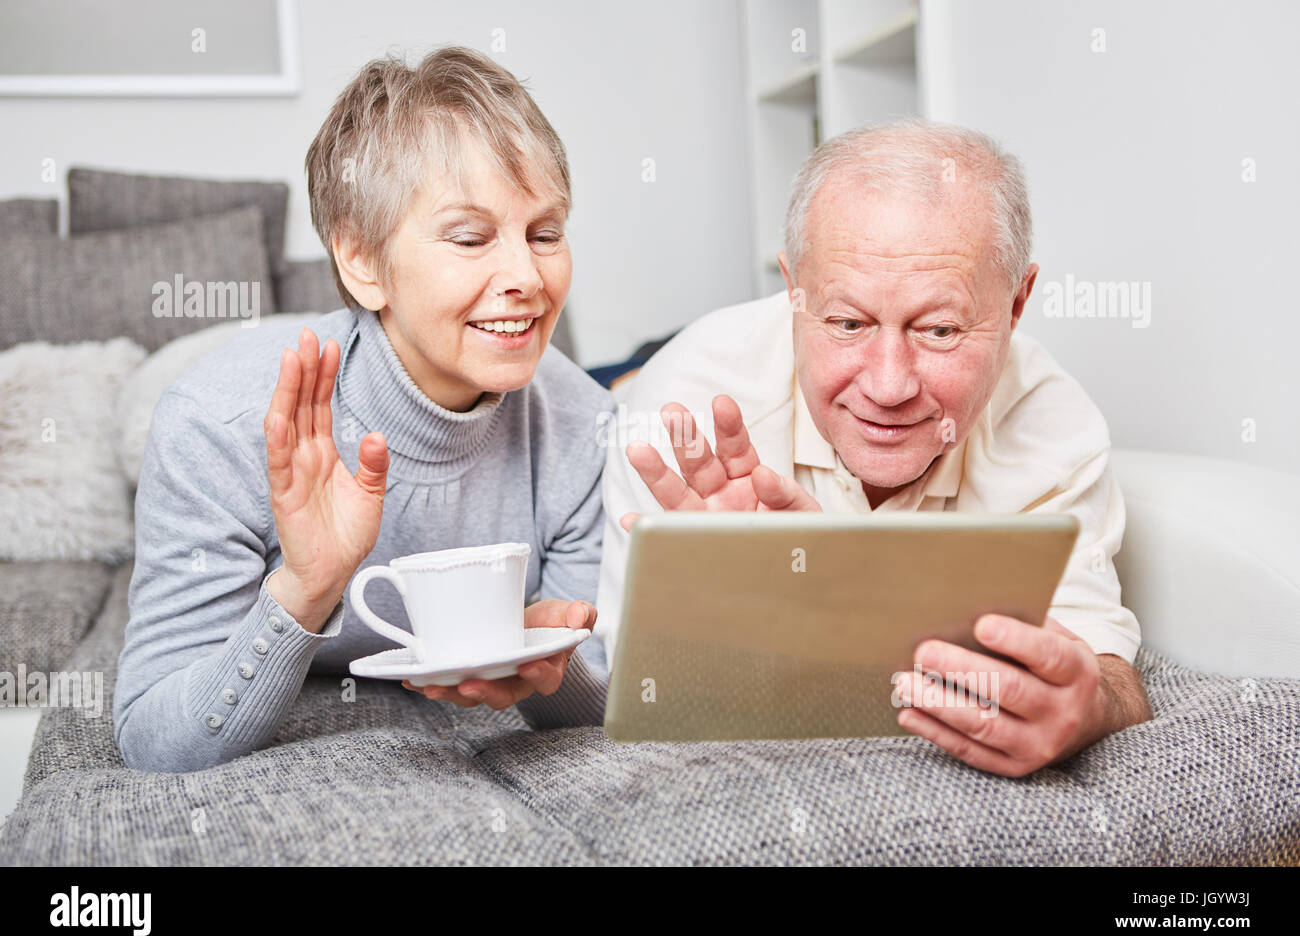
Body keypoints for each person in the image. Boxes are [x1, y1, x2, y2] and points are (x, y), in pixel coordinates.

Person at [596, 118, 1153, 779]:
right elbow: (638, 699)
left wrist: (1091, 706)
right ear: (792, 289)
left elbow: (1107, 670)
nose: (889, 386)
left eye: (940, 329)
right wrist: (729, 620)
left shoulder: (1053, 425)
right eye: (847, 323)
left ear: (1017, 303)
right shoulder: (680, 409)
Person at [115, 47, 612, 772]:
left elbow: (611, 702)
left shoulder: (585, 427)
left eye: (545, 233)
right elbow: (153, 740)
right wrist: (303, 591)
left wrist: (552, 666)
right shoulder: (213, 423)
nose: (527, 278)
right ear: (362, 263)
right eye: (471, 238)